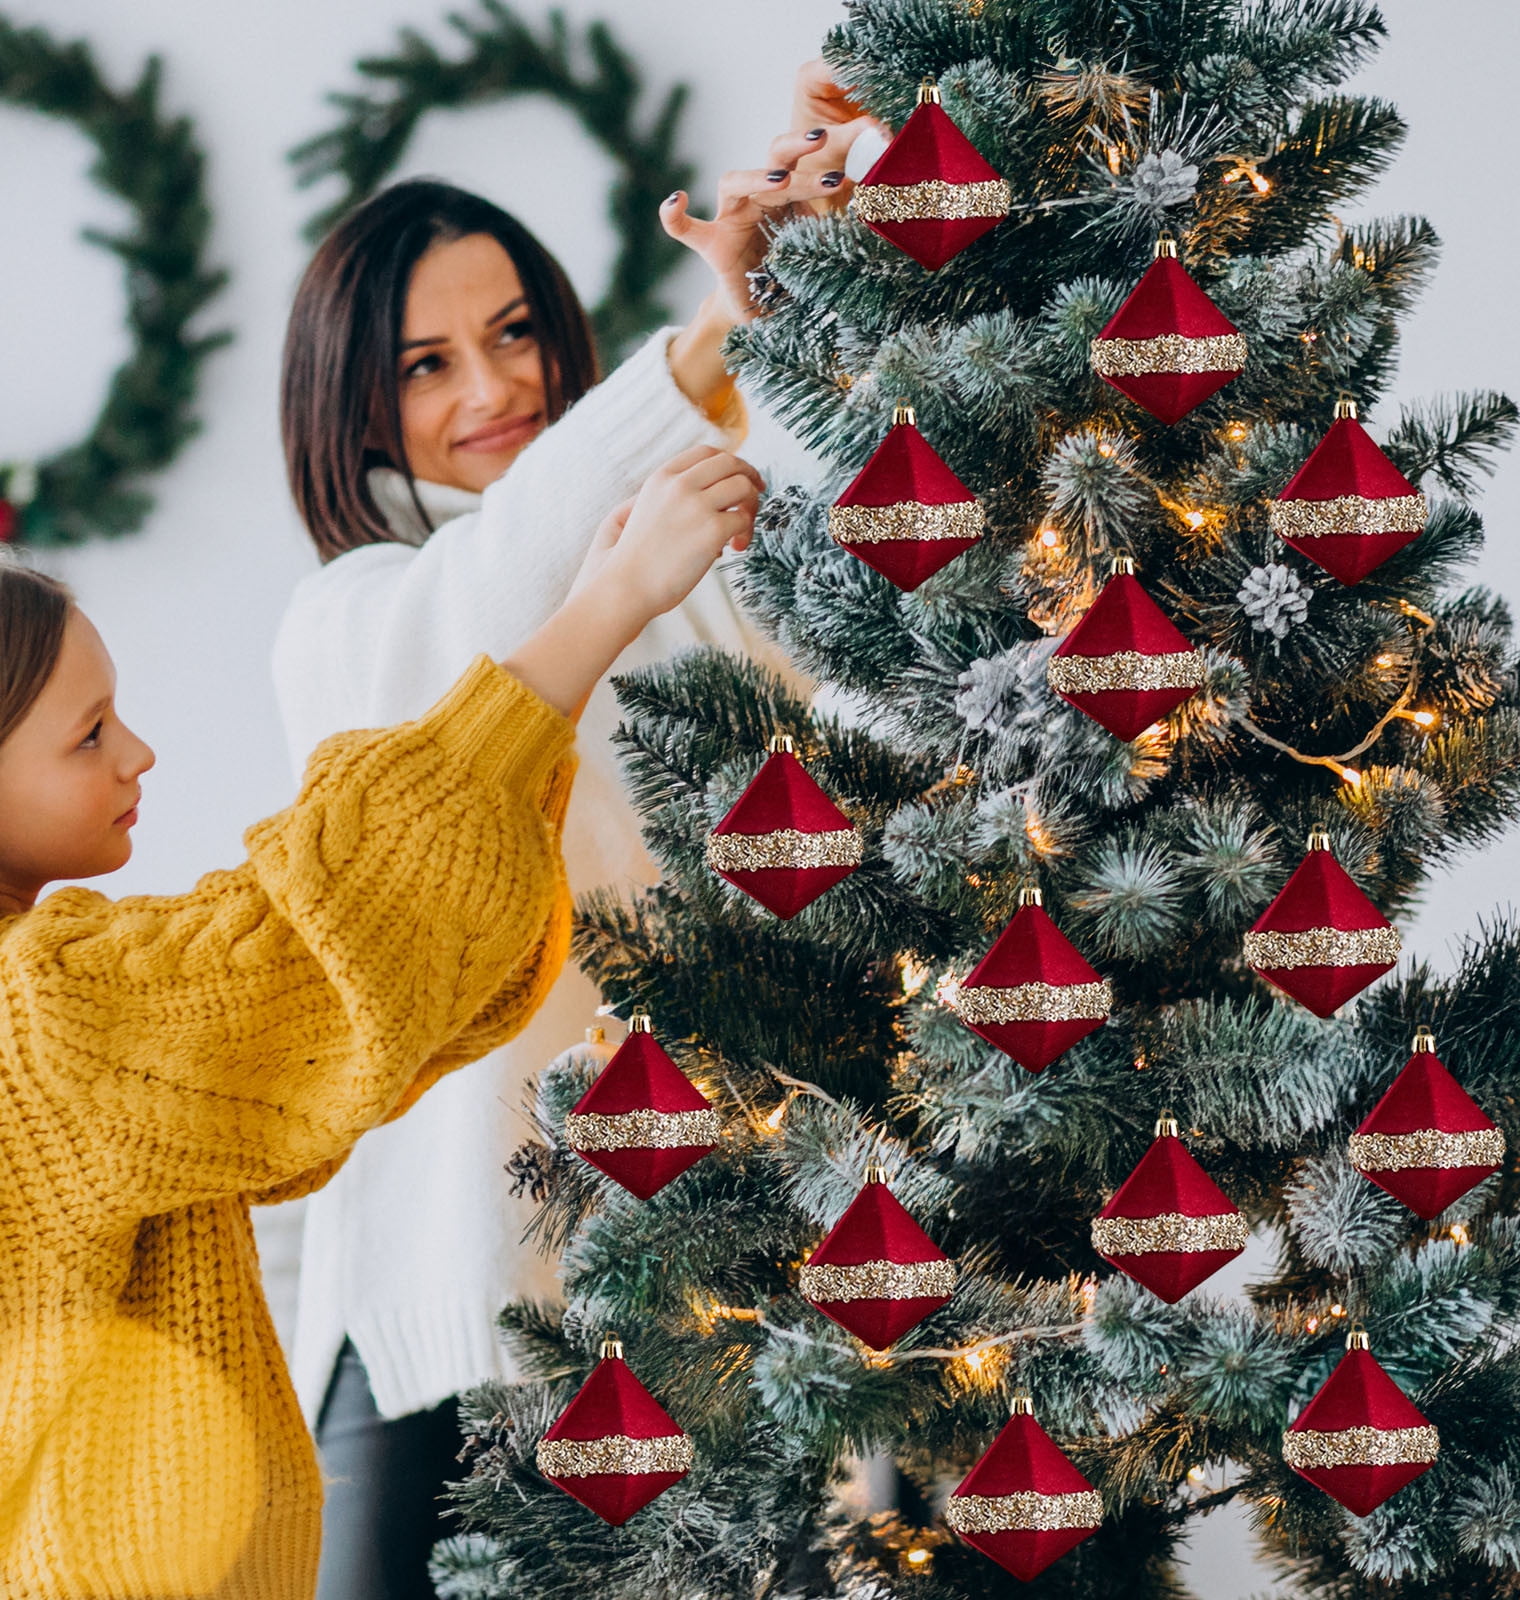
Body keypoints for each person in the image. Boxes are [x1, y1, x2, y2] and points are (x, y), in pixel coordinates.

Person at [271, 61, 877, 1599]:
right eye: (426, 365)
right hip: (454, 1328)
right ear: (347, 402)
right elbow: (493, 605)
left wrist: (851, 299)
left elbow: (855, 710)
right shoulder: (351, 619)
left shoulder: (679, 570)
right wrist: (713, 341)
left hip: (703, 1302)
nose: (491, 390)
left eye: (515, 331)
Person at [0, 438, 761, 1599]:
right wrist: (605, 605)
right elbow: (334, 931)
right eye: (89, 732)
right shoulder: (45, 1010)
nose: (138, 752)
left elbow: (342, 1005)